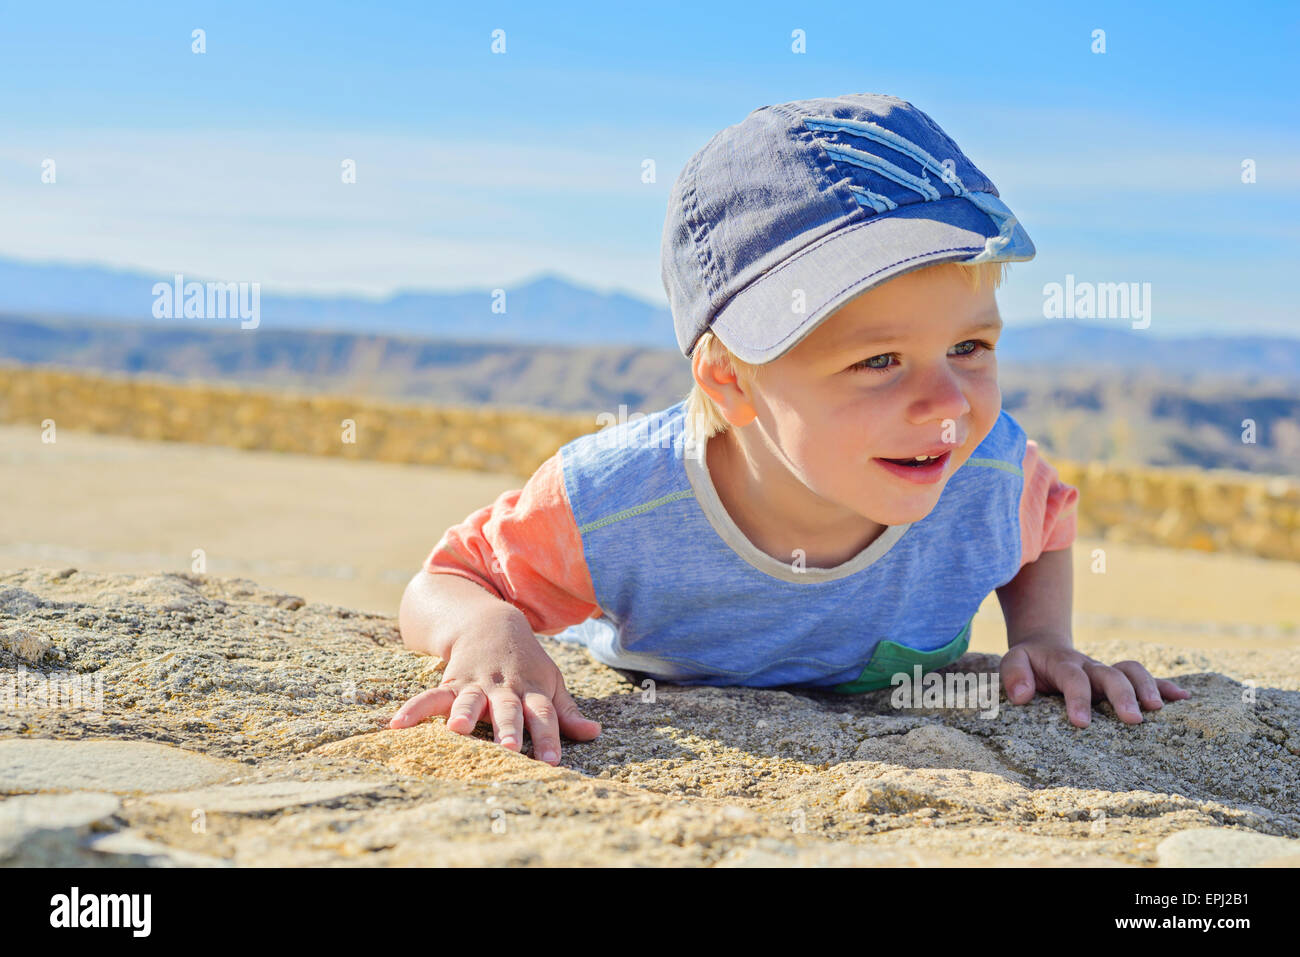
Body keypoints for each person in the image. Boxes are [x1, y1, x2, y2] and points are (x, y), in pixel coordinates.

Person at [388, 93, 1190, 764]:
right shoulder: (614, 502)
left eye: (969, 346)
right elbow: (448, 579)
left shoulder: (988, 470)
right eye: (879, 360)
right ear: (731, 380)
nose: (947, 402)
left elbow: (1045, 520)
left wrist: (1043, 633)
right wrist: (489, 629)